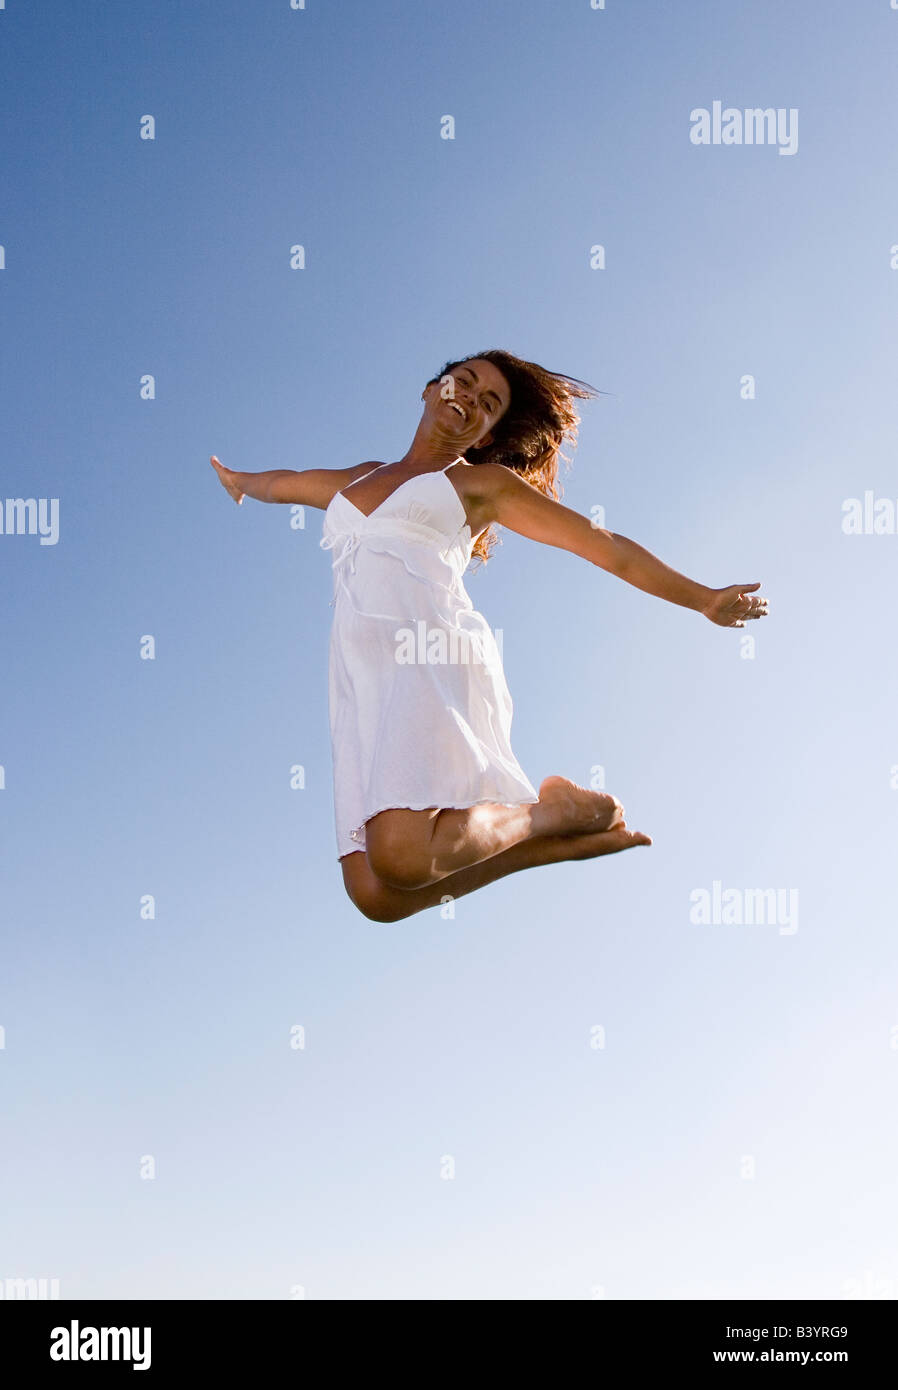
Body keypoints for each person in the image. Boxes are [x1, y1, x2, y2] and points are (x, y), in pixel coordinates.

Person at [211, 350, 767, 921]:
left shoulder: (481, 485)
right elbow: (286, 483)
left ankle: (546, 815)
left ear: (487, 432)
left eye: (489, 404)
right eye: (465, 383)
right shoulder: (358, 478)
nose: (470, 400)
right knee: (375, 895)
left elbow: (602, 545)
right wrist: (238, 481)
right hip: (361, 675)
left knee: (403, 858)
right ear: (431, 389)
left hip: (430, 651)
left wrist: (703, 598)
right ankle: (547, 840)